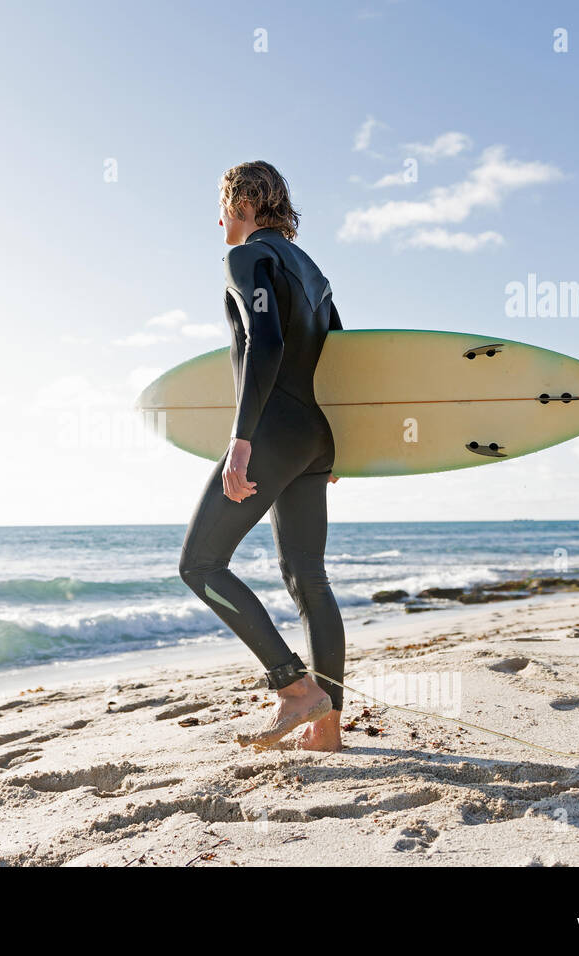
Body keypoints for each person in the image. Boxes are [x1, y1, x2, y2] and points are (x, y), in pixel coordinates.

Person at [178, 161, 347, 752]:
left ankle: (294, 688)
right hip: (314, 436)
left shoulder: (247, 257)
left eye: (222, 206)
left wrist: (241, 440)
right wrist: (334, 449)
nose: (219, 219)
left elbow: (266, 342)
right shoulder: (314, 272)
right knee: (309, 579)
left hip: (272, 430)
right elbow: (342, 358)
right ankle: (327, 728)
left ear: (242, 203)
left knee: (200, 565)